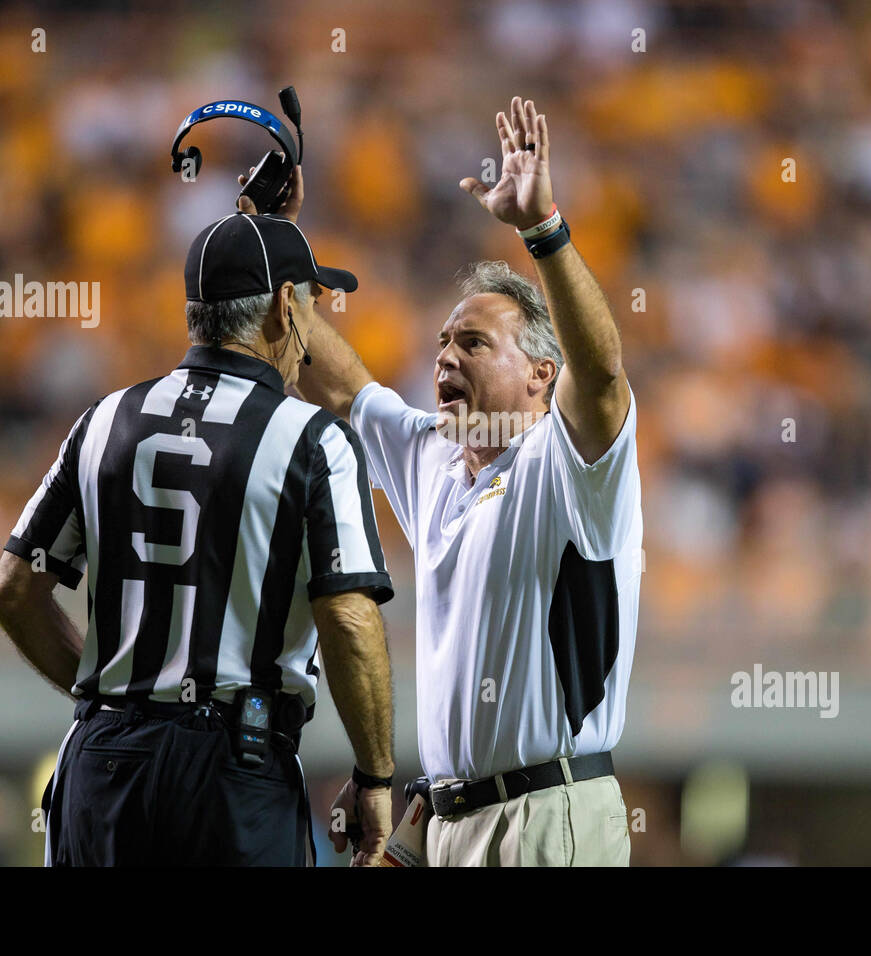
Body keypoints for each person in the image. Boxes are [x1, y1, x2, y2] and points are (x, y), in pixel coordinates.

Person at [274, 96, 642, 866]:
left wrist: (542, 229)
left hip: (549, 815)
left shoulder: (566, 465)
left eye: (473, 342)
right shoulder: (438, 460)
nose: (445, 357)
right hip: (445, 820)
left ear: (543, 373)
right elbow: (340, 385)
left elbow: (603, 373)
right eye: (443, 341)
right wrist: (271, 245)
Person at [0, 177, 397, 866]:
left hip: (103, 762)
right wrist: (374, 775)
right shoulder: (311, 438)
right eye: (311, 304)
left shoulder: (104, 420)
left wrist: (112, 694)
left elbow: (13, 592)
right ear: (283, 309)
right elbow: (351, 622)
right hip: (232, 769)